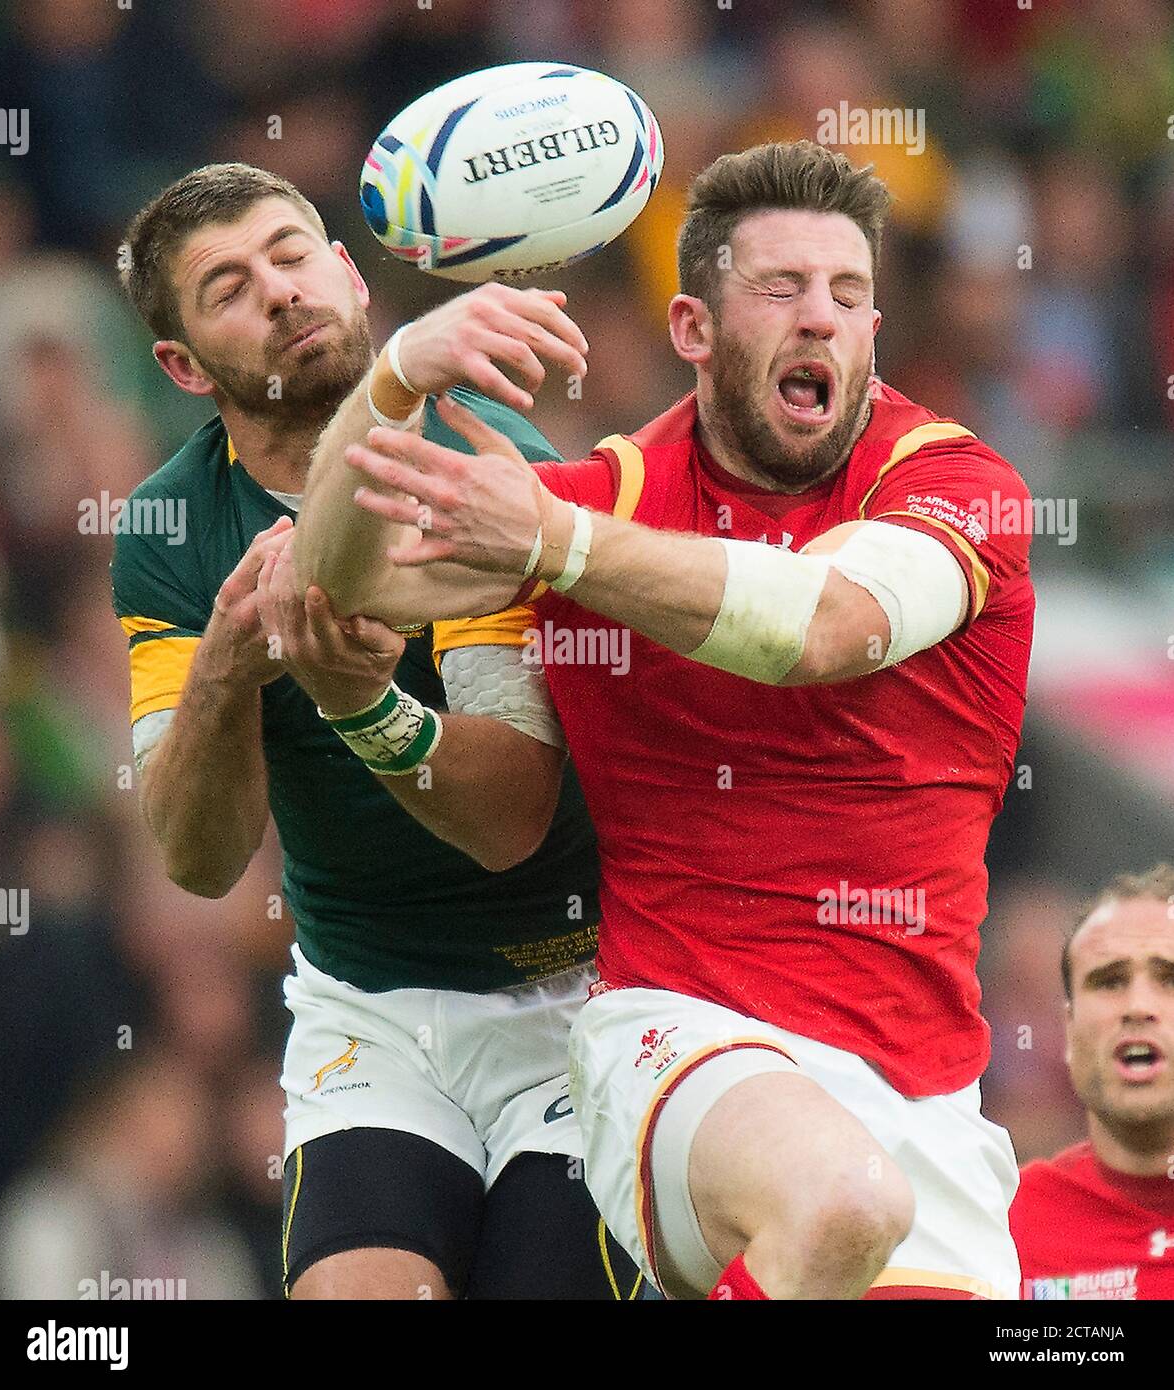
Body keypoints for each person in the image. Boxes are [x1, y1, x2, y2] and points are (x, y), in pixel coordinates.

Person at [284, 139, 1036, 1300]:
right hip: (673, 1042)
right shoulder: (603, 498)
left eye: (848, 295)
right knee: (842, 1199)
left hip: (924, 1097)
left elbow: (823, 625)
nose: (822, 320)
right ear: (693, 328)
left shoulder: (957, 483)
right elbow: (341, 579)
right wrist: (396, 376)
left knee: (858, 1201)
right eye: (780, 290)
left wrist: (560, 549)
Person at [110, 162, 645, 1300]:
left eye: (294, 255)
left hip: (571, 996)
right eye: (229, 286)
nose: (281, 292)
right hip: (368, 1011)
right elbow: (198, 860)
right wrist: (224, 664)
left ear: (351, 275)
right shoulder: (167, 530)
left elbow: (510, 821)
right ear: (182, 364)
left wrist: (367, 710)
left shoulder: (487, 463)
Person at [1011, 866, 1174, 1301]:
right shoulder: (1001, 1226)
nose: (1138, 1007)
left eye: (1170, 979)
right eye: (1109, 982)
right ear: (1068, 1028)